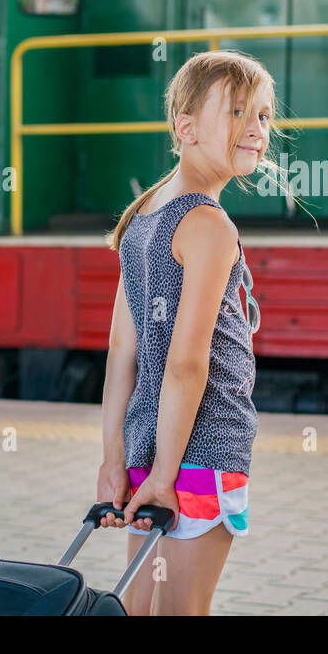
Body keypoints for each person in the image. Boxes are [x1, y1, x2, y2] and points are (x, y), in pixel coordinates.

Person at [97, 50, 278, 616]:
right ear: (186, 126)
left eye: (266, 116)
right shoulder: (208, 225)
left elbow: (120, 350)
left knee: (139, 609)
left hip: (150, 450)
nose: (256, 129)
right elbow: (186, 365)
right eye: (240, 112)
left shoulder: (144, 213)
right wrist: (166, 478)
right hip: (198, 457)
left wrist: (116, 459)